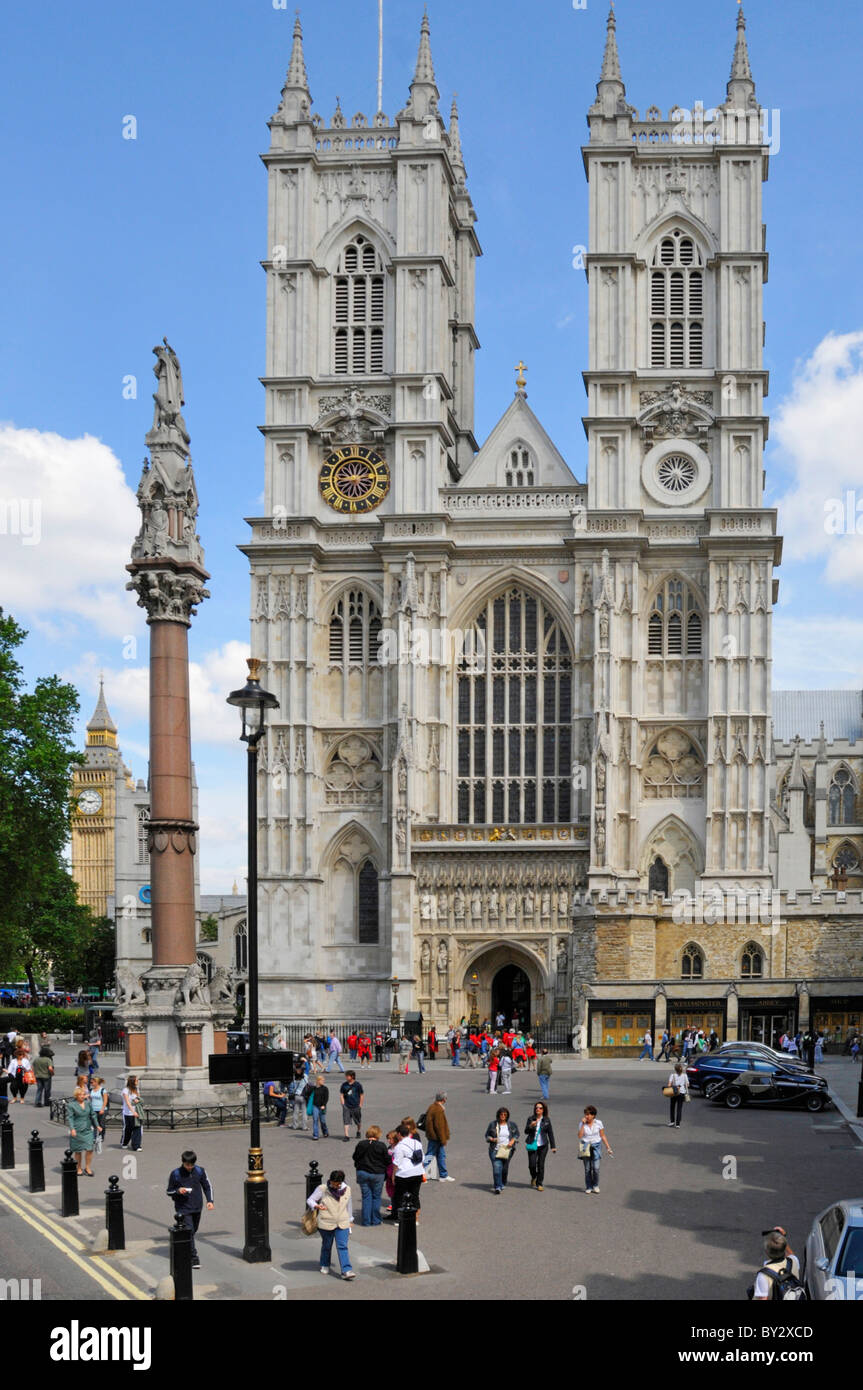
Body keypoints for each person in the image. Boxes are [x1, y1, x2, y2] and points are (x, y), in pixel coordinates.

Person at [167, 1149, 214, 1270]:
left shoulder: (200, 1171)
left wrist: (210, 1201)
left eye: (191, 1165)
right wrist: (178, 1191)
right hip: (183, 1208)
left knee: (193, 1231)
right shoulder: (175, 1174)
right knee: (189, 1231)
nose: (189, 1167)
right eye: (187, 1165)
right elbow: (169, 1191)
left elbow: (207, 1186)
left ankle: (182, 1244)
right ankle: (193, 1258)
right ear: (183, 1162)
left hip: (197, 1207)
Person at [308, 1169, 356, 1279]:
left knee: (342, 1246)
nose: (334, 1186)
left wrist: (350, 1220)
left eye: (337, 1184)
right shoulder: (322, 1189)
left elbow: (349, 1205)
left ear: (341, 1182)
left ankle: (346, 1270)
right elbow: (310, 1200)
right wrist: (316, 1206)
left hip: (342, 1222)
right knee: (327, 1245)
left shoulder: (347, 1189)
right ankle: (325, 1264)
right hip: (326, 1222)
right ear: (330, 1180)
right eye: (333, 1184)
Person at [352, 1125, 390, 1226]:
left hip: (363, 1172)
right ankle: (375, 1219)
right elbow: (387, 1160)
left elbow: (355, 1157)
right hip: (377, 1173)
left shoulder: (361, 1144)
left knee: (366, 1196)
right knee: (376, 1197)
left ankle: (366, 1220)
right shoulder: (381, 1145)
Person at [751, 1230, 802, 1301]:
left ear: (767, 1251)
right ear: (784, 1248)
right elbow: (791, 1255)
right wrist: (782, 1238)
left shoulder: (764, 1275)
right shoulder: (794, 1261)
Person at [391, 1122, 424, 1218]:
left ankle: (402, 1219)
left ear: (399, 1134)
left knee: (401, 1196)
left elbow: (397, 1163)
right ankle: (415, 1218)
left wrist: (393, 1175)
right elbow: (422, 1157)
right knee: (415, 1195)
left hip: (404, 1174)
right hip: (417, 1172)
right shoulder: (416, 1142)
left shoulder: (399, 1147)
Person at [578, 1104, 613, 1194]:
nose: (587, 1116)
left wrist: (608, 1147)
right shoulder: (582, 1123)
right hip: (585, 1146)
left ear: (593, 1115)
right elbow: (580, 1136)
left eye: (589, 1114)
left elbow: (602, 1135)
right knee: (587, 1169)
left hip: (596, 1146)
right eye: (586, 1114)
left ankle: (595, 1185)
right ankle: (589, 1186)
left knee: (596, 1168)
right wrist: (582, 1124)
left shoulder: (599, 1123)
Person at [485, 1106, 519, 1194]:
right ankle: (498, 1187)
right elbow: (487, 1136)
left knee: (504, 1169)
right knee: (497, 1168)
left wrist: (513, 1140)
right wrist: (492, 1139)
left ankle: (503, 1182)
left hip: (507, 1150)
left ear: (507, 1116)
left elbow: (517, 1134)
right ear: (498, 1115)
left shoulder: (512, 1125)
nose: (503, 1116)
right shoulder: (492, 1124)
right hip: (495, 1150)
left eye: (505, 1114)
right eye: (501, 1114)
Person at [524, 1101, 556, 1191]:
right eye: (536, 1108)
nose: (538, 1109)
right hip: (532, 1144)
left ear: (543, 1110)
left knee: (541, 1164)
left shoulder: (546, 1120)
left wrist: (553, 1146)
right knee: (532, 1165)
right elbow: (525, 1131)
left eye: (540, 1108)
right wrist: (531, 1125)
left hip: (543, 1145)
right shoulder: (530, 1119)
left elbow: (550, 1133)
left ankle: (539, 1183)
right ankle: (534, 1177)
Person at [423, 1092, 455, 1182]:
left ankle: (443, 1175)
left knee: (441, 1156)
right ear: (443, 1099)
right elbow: (439, 1126)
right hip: (436, 1138)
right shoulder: (438, 1110)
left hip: (432, 1136)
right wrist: (443, 1139)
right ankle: (419, 1174)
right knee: (429, 1156)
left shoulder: (432, 1106)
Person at [68, 1083, 96, 1176]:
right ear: (76, 1096)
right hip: (77, 1129)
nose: (82, 1096)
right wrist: (72, 1129)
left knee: (90, 1149)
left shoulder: (88, 1103)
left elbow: (93, 1115)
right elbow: (70, 1118)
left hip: (88, 1129)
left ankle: (88, 1167)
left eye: (84, 1095)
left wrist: (98, 1126)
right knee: (78, 1150)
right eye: (80, 1095)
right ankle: (78, 1167)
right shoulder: (71, 1105)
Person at [120, 1075, 143, 1150]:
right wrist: (133, 1112)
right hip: (128, 1113)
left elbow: (139, 1097)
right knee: (128, 1129)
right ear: (132, 1081)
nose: (137, 1082)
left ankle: (136, 1146)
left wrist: (137, 1099)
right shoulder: (125, 1090)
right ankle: (124, 1142)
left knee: (137, 1128)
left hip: (136, 1111)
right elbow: (127, 1103)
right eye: (136, 1080)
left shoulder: (136, 1089)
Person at [340, 1072, 364, 1141]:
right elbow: (341, 1094)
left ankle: (358, 1131)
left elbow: (361, 1095)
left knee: (358, 1121)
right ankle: (346, 1136)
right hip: (347, 1106)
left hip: (356, 1106)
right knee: (346, 1121)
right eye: (346, 1076)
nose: (346, 1077)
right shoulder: (344, 1085)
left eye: (347, 1076)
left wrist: (360, 1105)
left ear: (352, 1076)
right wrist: (343, 1104)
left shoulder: (358, 1085)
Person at [666, 1062, 689, 1127]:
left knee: (672, 1107)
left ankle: (672, 1121)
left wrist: (670, 1086)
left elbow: (669, 1084)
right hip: (681, 1093)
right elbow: (687, 1084)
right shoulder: (685, 1075)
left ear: (675, 1069)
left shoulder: (672, 1075)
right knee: (679, 1108)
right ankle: (678, 1124)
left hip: (674, 1092)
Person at [89, 1074, 108, 1154]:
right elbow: (90, 1100)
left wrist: (102, 1109)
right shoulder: (91, 1090)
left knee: (101, 1124)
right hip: (93, 1109)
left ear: (96, 1082)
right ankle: (94, 1137)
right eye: (91, 1082)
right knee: (94, 1124)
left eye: (92, 1082)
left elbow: (105, 1100)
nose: (91, 1083)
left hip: (101, 1109)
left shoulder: (103, 1090)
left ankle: (101, 1136)